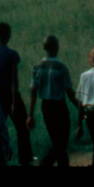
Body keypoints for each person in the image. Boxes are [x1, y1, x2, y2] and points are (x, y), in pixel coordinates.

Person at [27, 35, 79, 167]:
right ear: (57, 47)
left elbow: (33, 91)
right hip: (59, 106)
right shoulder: (61, 67)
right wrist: (80, 107)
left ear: (44, 48)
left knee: (57, 141)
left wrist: (30, 115)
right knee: (61, 142)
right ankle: (46, 163)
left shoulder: (37, 67)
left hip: (46, 107)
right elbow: (69, 92)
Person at [0, 22, 32, 166]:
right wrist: (13, 101)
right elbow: (13, 80)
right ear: (8, 35)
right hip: (10, 96)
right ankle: (25, 160)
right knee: (22, 128)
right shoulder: (12, 54)